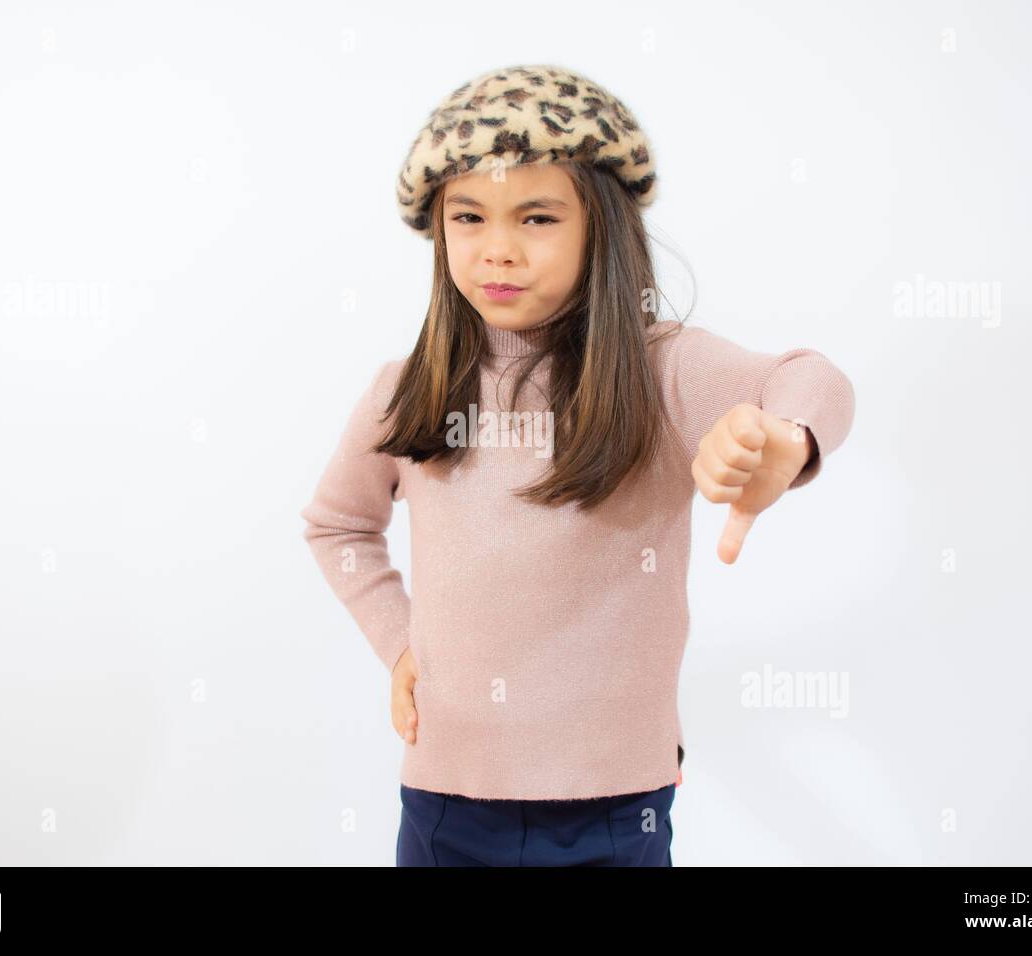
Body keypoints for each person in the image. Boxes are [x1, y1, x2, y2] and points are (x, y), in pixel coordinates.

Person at [300, 64, 856, 866]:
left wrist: (790, 439)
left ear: (601, 225)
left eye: (536, 217)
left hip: (617, 811)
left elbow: (814, 379)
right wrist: (400, 643)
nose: (499, 249)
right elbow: (338, 525)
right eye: (469, 216)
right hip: (445, 805)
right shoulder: (409, 389)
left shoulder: (661, 369)